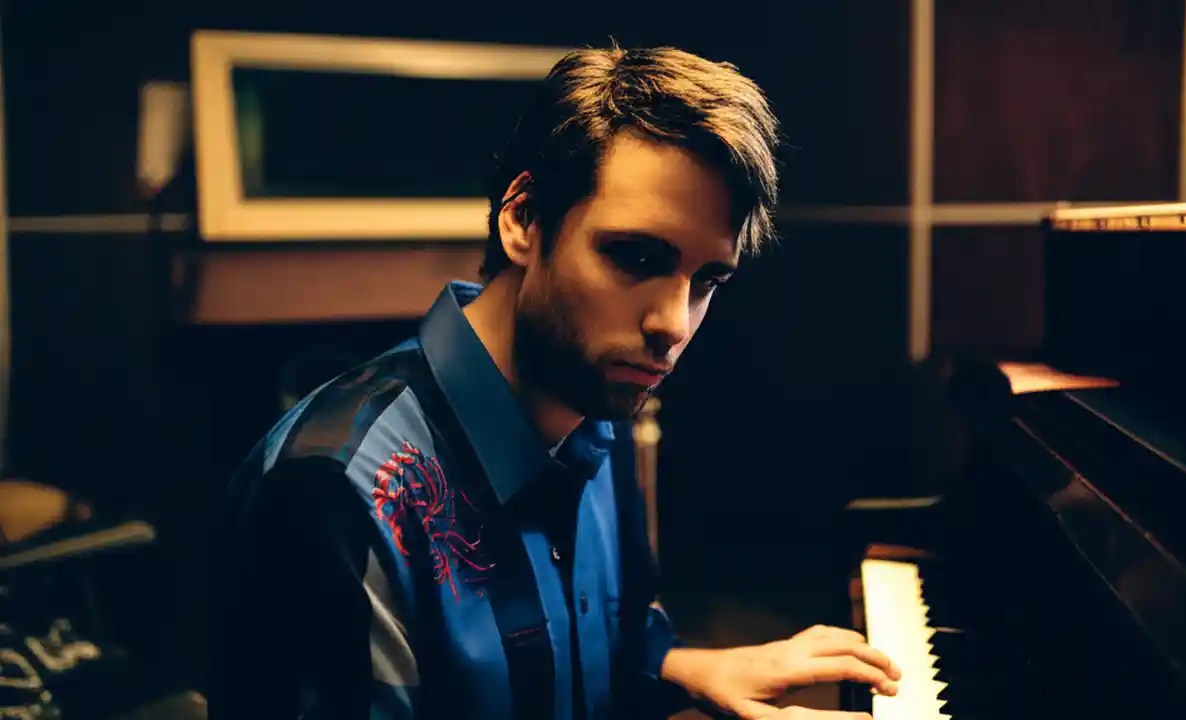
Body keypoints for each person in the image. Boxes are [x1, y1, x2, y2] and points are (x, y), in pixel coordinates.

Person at [210, 43, 900, 720]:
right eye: (634, 256)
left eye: (705, 282)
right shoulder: (334, 494)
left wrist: (690, 668)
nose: (672, 324)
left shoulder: (595, 400)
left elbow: (608, 648)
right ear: (522, 219)